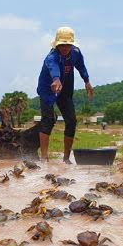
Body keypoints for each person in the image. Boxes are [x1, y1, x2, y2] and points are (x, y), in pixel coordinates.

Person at [37, 26, 93, 163]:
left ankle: (66, 159)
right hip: (48, 87)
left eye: (67, 45)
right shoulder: (51, 57)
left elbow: (81, 66)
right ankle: (44, 158)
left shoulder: (76, 53)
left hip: (66, 86)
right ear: (57, 45)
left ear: (72, 45)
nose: (65, 48)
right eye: (62, 45)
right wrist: (56, 79)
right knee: (48, 120)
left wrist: (87, 81)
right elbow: (54, 68)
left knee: (71, 121)